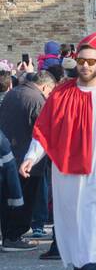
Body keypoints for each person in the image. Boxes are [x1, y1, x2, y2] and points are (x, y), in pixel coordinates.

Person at [20, 30, 96, 270]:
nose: (86, 66)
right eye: (81, 61)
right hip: (66, 173)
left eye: (91, 61)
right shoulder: (61, 94)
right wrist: (32, 157)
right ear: (75, 62)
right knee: (70, 229)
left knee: (95, 227)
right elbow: (44, 130)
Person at [0, 67, 56, 248]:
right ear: (46, 87)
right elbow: (43, 131)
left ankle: (9, 235)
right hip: (29, 160)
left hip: (8, 156)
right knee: (24, 201)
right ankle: (14, 237)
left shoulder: (12, 93)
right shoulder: (38, 100)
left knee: (10, 200)